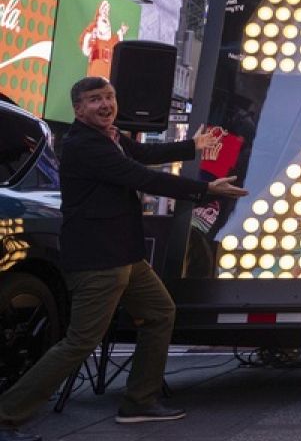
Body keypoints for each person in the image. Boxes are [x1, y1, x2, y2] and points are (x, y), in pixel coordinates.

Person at [0, 77, 247, 441]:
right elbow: (142, 176)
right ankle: (6, 415)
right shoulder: (84, 146)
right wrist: (206, 189)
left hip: (125, 255)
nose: (105, 104)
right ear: (78, 109)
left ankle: (140, 401)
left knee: (161, 312)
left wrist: (192, 146)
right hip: (98, 260)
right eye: (94, 99)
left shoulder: (111, 137)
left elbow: (144, 155)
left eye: (109, 96)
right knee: (80, 341)